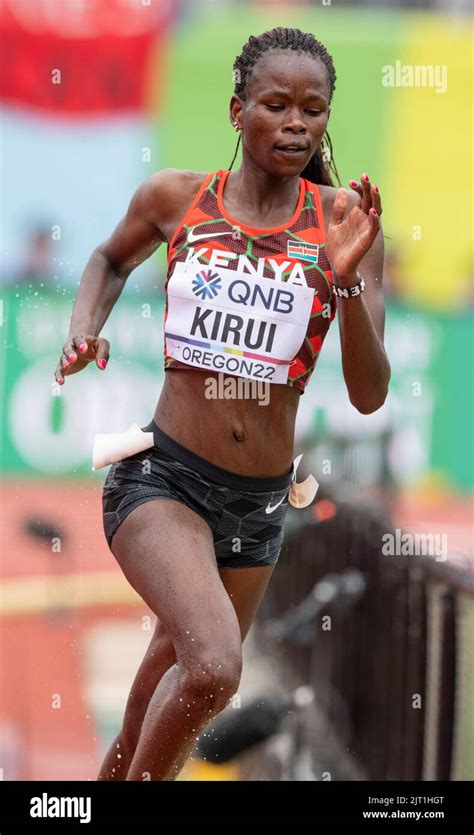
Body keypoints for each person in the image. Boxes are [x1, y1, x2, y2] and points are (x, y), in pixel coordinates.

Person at [54, 27, 390, 781]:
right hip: (162, 481)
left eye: (315, 109)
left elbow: (370, 395)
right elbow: (109, 257)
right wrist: (84, 329)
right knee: (212, 667)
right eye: (277, 105)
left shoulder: (346, 226)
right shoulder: (178, 196)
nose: (298, 123)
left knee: (155, 705)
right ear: (238, 111)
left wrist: (343, 281)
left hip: (259, 508)